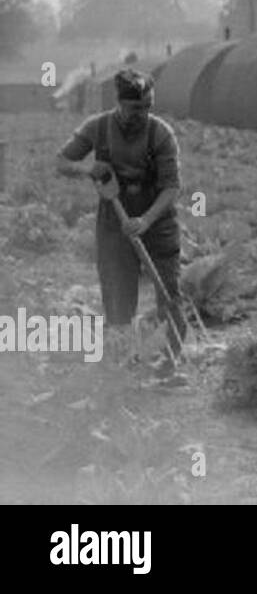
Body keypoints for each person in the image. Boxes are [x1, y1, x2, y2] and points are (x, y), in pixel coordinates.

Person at [55, 68, 185, 380]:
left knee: (169, 292)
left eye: (147, 106)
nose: (143, 114)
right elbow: (61, 161)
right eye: (135, 108)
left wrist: (146, 220)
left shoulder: (161, 134)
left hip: (157, 221)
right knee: (117, 293)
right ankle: (122, 360)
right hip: (114, 222)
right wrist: (88, 168)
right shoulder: (97, 128)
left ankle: (171, 360)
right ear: (120, 103)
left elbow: (172, 188)